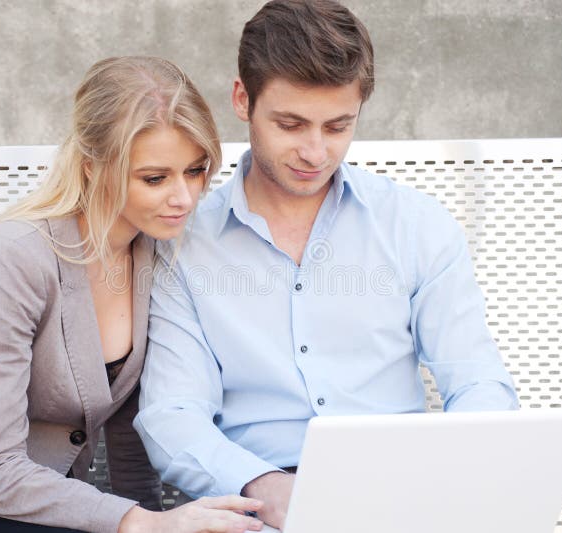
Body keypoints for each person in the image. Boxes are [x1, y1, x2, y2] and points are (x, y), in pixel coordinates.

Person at [134, 1, 520, 529]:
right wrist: (265, 489)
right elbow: (172, 414)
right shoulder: (184, 244)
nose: (315, 151)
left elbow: (477, 380)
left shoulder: (415, 225)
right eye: (290, 124)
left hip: (403, 498)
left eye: (338, 126)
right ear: (242, 99)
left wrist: (450, 479)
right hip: (258, 503)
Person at [0, 56, 264, 533]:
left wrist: (157, 520)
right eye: (155, 178)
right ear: (93, 167)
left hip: (50, 514)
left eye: (196, 171)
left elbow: (128, 436)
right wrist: (142, 524)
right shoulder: (13, 259)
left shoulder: (154, 254)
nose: (183, 197)